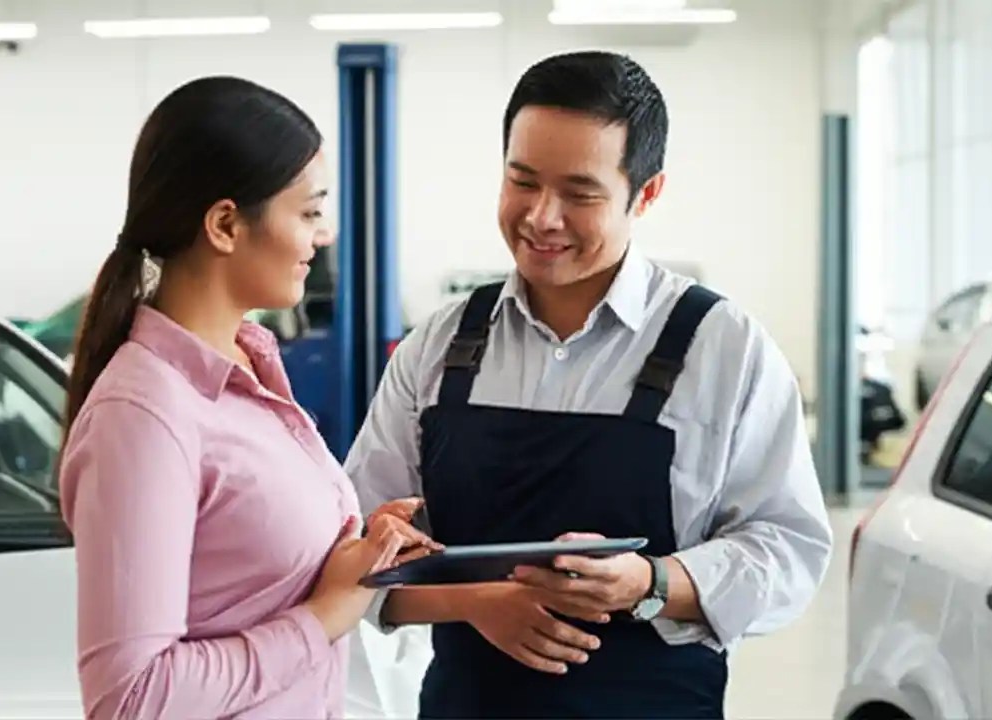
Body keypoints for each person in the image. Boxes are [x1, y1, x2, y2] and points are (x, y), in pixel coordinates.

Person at [344, 50, 834, 719]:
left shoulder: (724, 349)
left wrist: (651, 582)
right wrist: (477, 603)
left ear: (647, 193)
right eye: (523, 182)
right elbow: (359, 553)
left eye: (580, 194)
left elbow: (788, 551)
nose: (543, 218)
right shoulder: (440, 347)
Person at [57, 76, 430, 720]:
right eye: (310, 212)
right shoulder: (144, 415)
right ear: (226, 224)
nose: (323, 236)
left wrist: (351, 553)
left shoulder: (248, 371)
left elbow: (248, 577)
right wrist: (323, 618)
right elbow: (131, 699)